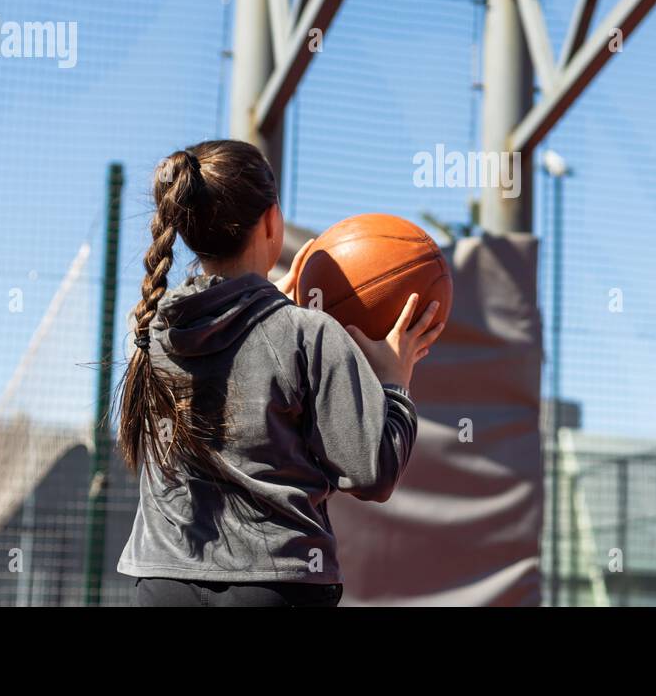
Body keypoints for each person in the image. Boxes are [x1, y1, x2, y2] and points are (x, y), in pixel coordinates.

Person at [116, 139, 443, 607]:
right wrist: (395, 379)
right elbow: (373, 472)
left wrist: (261, 305)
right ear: (272, 220)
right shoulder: (306, 333)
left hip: (162, 583)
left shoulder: (148, 331)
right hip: (275, 585)